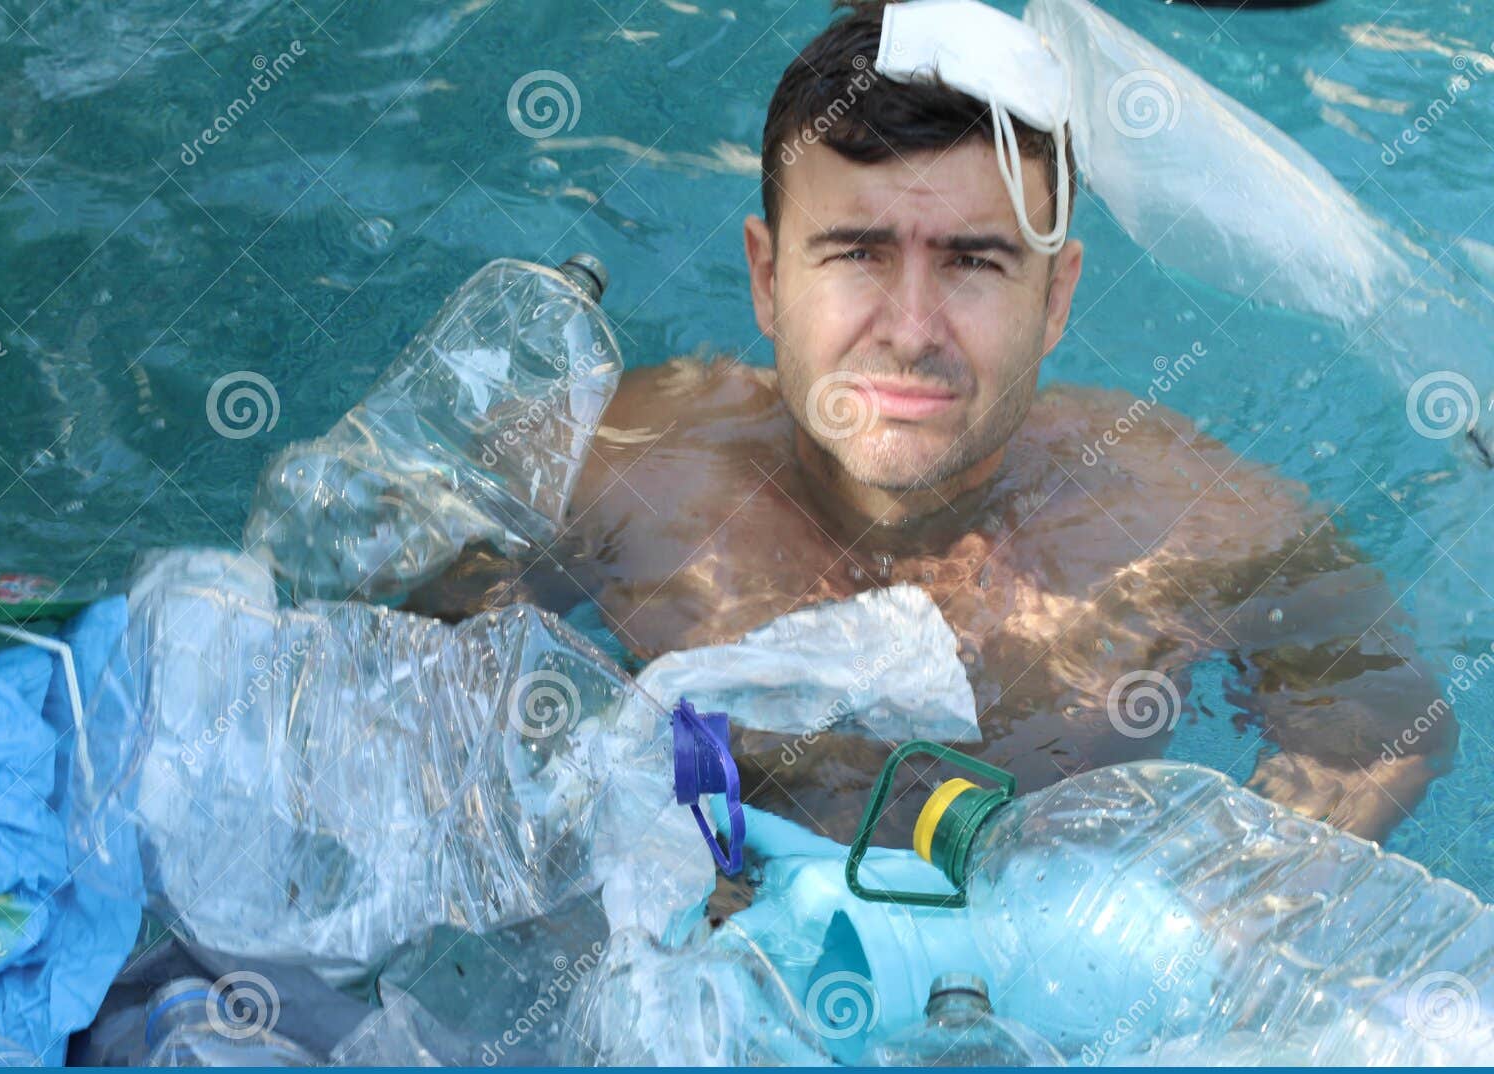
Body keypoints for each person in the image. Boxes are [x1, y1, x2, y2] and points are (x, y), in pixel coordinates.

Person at [411, 0, 1452, 845]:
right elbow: (408, 709)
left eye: (972, 261)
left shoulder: (1196, 527)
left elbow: (1379, 732)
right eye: (856, 252)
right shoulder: (606, 466)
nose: (910, 331)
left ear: (1055, 298)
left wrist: (1211, 898)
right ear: (767, 279)